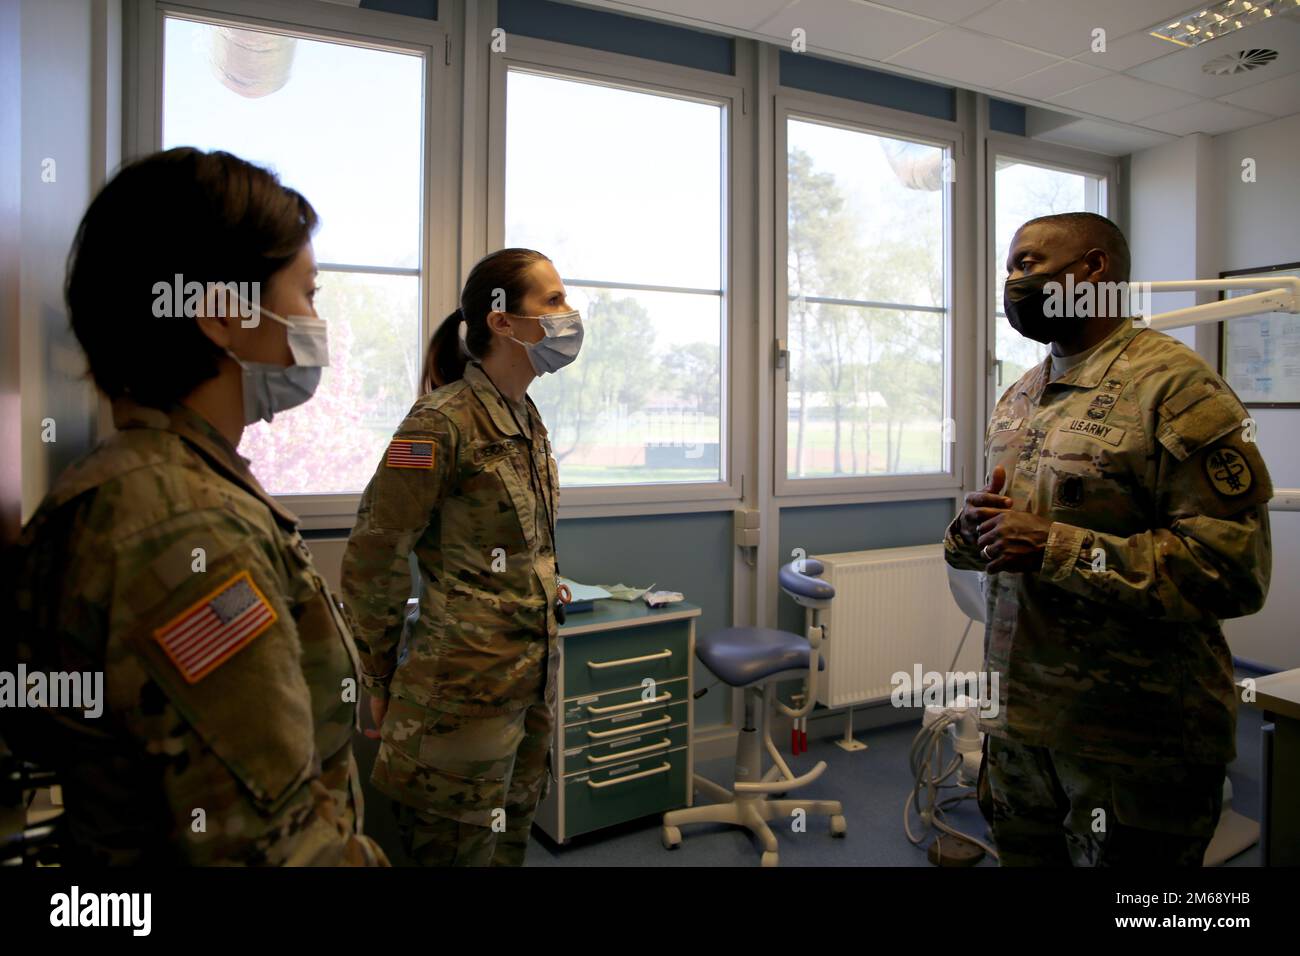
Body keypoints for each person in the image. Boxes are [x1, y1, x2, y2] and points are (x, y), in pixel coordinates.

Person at [2, 148, 386, 866]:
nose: (314, 320)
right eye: (306, 293)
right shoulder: (185, 529)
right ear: (219, 314)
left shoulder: (153, 484)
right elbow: (271, 853)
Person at [944, 212, 1273, 866]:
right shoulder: (1022, 396)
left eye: (1029, 264)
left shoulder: (1175, 389)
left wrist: (1054, 547)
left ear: (1093, 270)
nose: (1013, 280)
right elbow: (996, 535)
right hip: (1022, 724)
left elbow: (1235, 571)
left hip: (1136, 742)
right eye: (1010, 266)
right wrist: (971, 530)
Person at [341, 247, 580, 866]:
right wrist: (377, 677)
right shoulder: (435, 425)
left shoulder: (525, 417)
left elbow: (504, 541)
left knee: (507, 852)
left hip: (527, 690)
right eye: (552, 301)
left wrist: (540, 583)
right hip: (459, 702)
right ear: (502, 321)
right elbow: (376, 551)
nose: (569, 314)